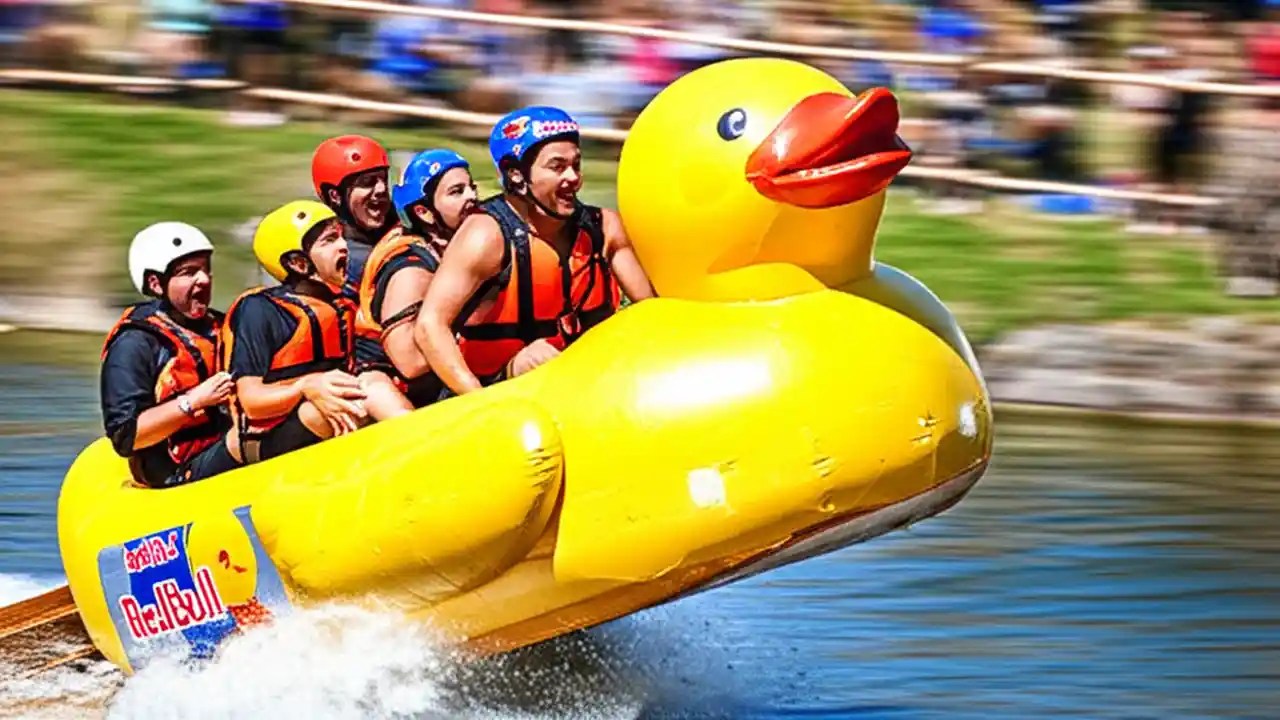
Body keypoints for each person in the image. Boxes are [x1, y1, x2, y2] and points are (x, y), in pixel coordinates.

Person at [414, 106, 656, 396]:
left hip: (589, 386)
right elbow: (430, 326)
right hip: (491, 391)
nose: (573, 177)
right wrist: (480, 402)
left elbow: (649, 314)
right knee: (534, 360)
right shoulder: (486, 236)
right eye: (557, 167)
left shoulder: (603, 229)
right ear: (517, 176)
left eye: (576, 165)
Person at [219, 201, 372, 465]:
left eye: (341, 237)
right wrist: (306, 387)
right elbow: (252, 400)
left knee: (374, 385)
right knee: (327, 410)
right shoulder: (261, 310)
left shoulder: (343, 305)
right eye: (329, 241)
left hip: (315, 418)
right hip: (265, 440)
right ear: (299, 263)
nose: (343, 246)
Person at [100, 222, 241, 488]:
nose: (204, 279)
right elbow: (126, 436)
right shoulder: (135, 344)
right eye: (189, 272)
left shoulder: (225, 327)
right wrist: (194, 401)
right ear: (155, 283)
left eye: (206, 269)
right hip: (174, 472)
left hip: (225, 449)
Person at [354, 148, 479, 410]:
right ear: (424, 212)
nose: (473, 197)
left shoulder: (460, 246)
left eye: (472, 187)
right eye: (457, 192)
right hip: (390, 387)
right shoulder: (411, 269)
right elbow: (410, 362)